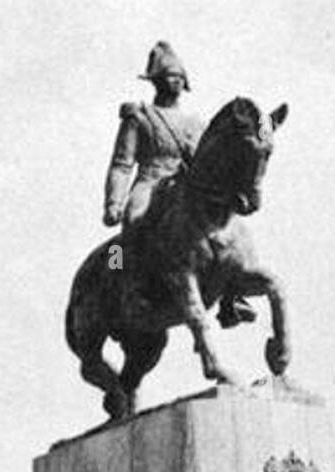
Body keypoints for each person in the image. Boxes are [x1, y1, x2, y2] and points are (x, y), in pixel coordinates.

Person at [102, 41, 255, 328]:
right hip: (149, 181)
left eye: (180, 75)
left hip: (184, 185)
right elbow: (122, 164)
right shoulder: (139, 117)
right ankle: (123, 282)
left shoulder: (195, 122)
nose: (176, 79)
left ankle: (233, 297)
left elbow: (209, 162)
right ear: (156, 79)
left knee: (229, 225)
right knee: (131, 223)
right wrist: (114, 202)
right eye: (169, 74)